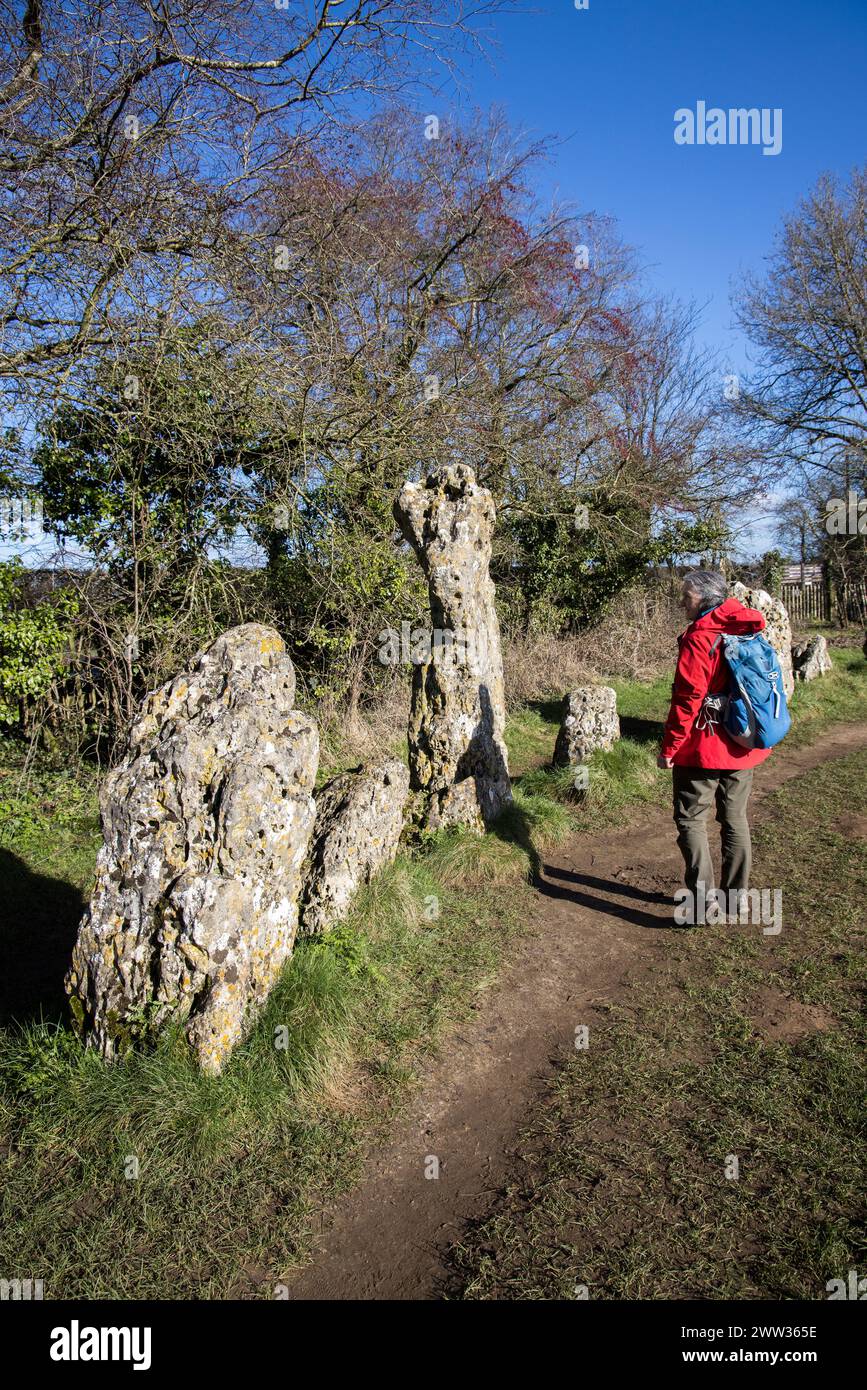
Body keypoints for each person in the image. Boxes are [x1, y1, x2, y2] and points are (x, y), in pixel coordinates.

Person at [657, 569, 773, 918]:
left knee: (691, 820)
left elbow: (688, 697)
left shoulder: (700, 636)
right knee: (735, 818)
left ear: (706, 598)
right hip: (742, 740)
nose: (682, 603)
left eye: (687, 597)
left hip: (703, 744)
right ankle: (736, 898)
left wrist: (670, 748)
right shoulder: (746, 625)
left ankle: (703, 903)